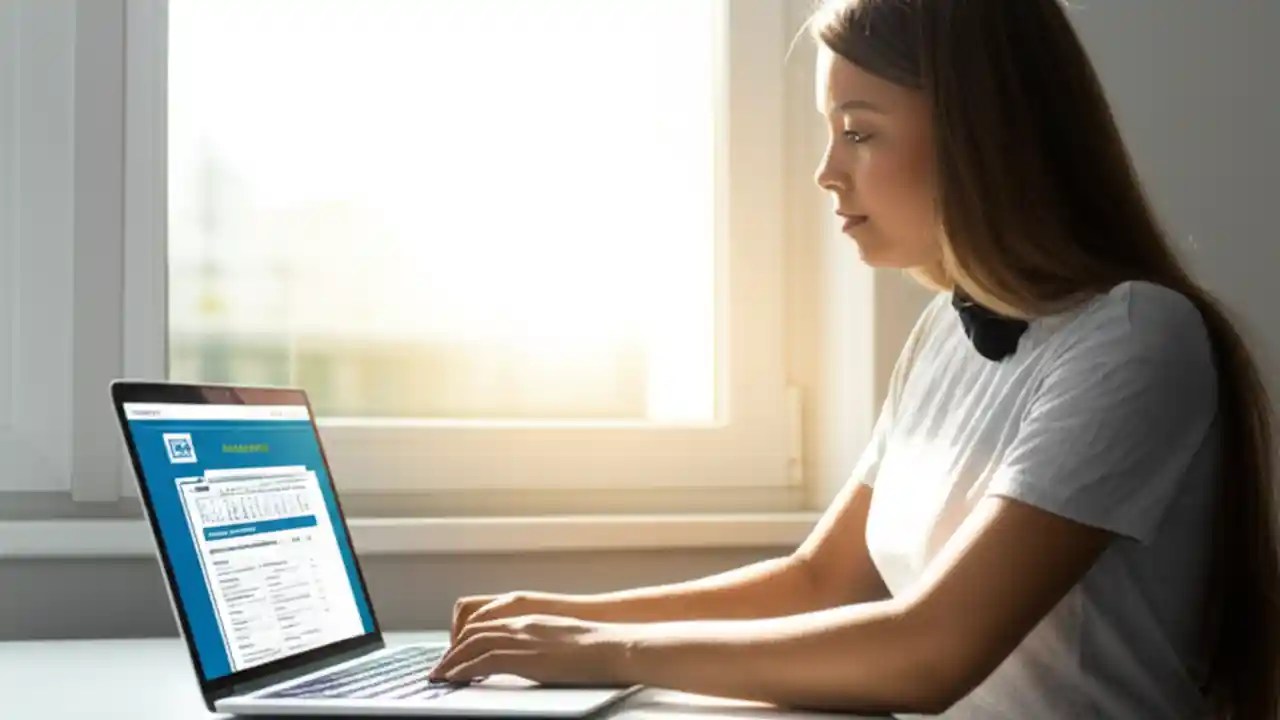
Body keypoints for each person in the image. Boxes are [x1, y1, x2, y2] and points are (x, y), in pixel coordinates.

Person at [428, 1, 1279, 717]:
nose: (827, 173)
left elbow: (930, 650)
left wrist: (608, 651)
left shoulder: (1136, 336)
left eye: (859, 132)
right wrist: (556, 617)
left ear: (982, 134)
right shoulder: (945, 332)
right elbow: (823, 579)